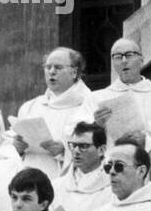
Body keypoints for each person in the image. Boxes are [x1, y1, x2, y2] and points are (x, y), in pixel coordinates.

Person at [12, 47, 96, 177]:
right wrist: (17, 148)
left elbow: (96, 149)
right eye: (48, 67)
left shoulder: (88, 105)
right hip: (27, 179)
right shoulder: (30, 107)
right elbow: (11, 151)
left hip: (62, 181)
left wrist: (63, 151)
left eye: (58, 67)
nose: (51, 72)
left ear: (74, 72)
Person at [91, 38, 151, 142]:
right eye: (118, 57)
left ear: (141, 59)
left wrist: (146, 141)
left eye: (129, 55)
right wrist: (97, 125)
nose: (124, 61)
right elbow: (78, 135)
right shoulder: (97, 98)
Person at [51, 121, 111, 211]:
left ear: (101, 150)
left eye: (84, 146)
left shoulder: (112, 188)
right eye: (73, 145)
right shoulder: (56, 186)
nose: (76, 151)